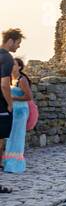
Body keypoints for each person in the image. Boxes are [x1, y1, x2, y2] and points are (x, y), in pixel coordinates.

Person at [1, 28, 25, 185]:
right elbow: (4, 84)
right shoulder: (7, 58)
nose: (18, 47)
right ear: (11, 41)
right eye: (18, 43)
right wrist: (10, 104)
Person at [4, 58, 32, 174]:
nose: (12, 66)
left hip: (20, 111)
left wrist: (12, 98)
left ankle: (16, 165)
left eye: (14, 64)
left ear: (20, 67)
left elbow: (29, 97)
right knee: (11, 137)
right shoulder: (10, 79)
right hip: (13, 111)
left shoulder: (22, 80)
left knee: (17, 138)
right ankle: (9, 164)